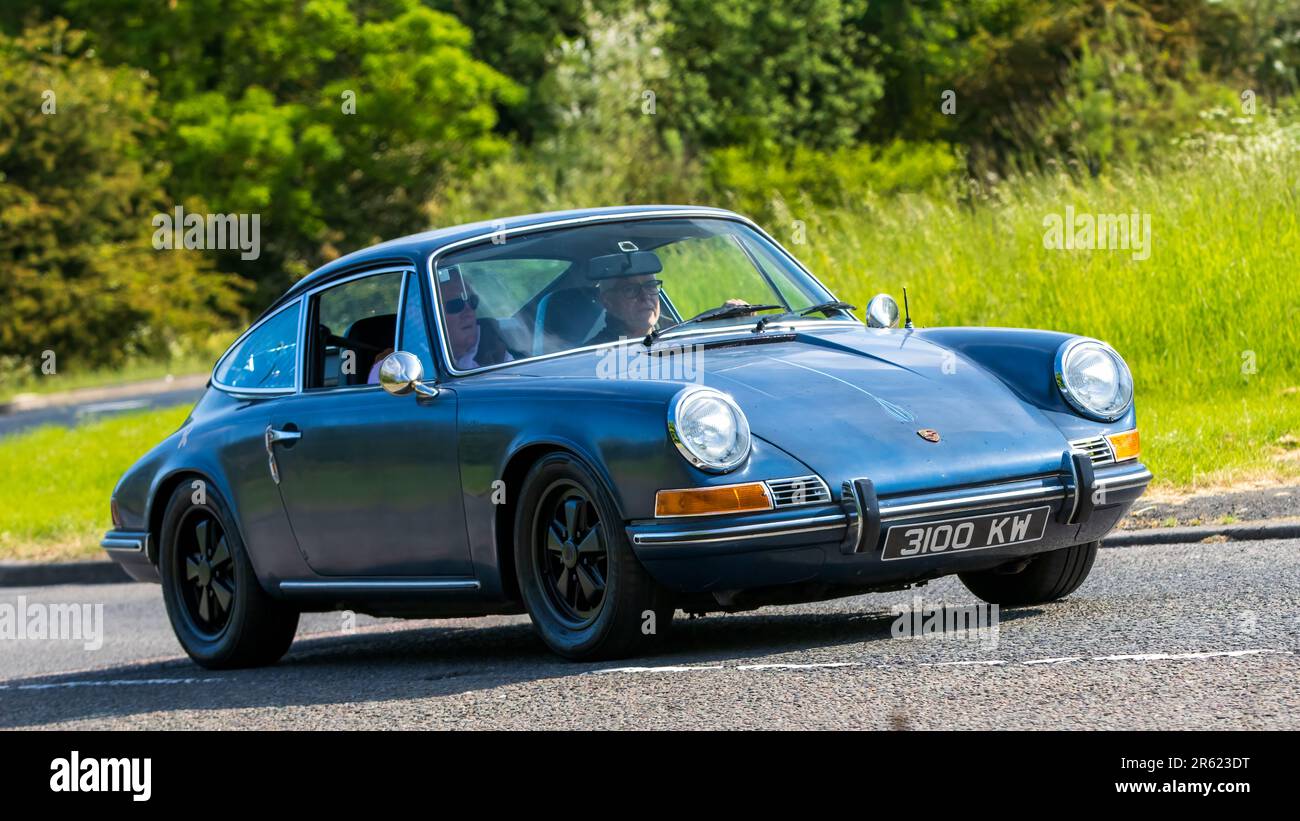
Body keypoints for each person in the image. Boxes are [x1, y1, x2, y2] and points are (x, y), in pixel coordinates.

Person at [439, 267, 514, 370]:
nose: (468, 311)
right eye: (455, 304)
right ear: (436, 314)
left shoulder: (493, 345)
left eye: (472, 301)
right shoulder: (422, 360)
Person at [588, 274, 663, 344]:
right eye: (630, 289)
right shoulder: (593, 354)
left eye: (651, 286)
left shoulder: (673, 330)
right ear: (608, 302)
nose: (645, 296)